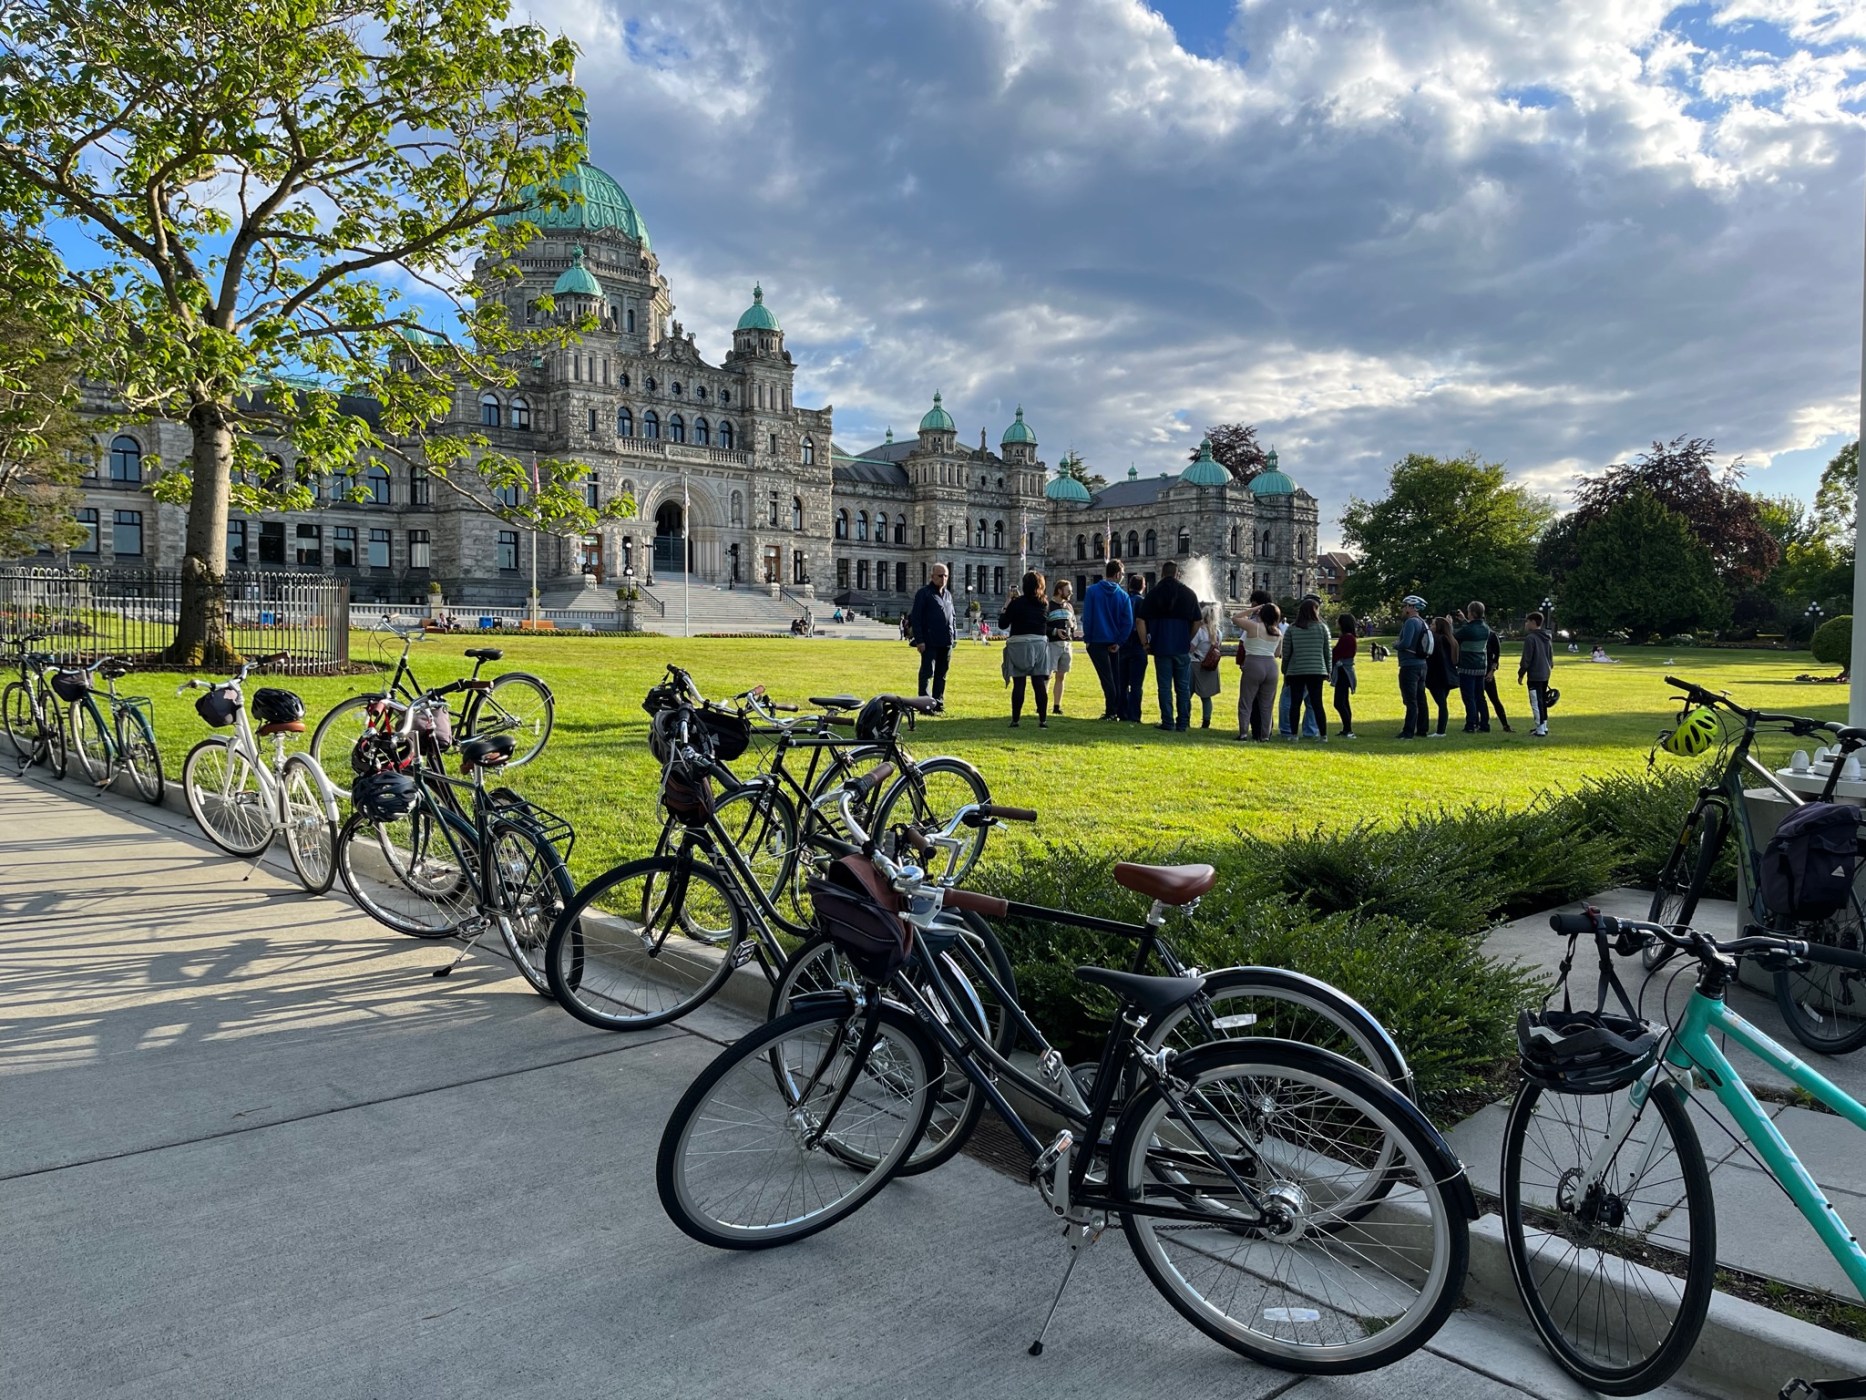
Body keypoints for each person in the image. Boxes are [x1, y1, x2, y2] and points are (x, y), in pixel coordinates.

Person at [1136, 559, 1202, 732]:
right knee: (1183, 686)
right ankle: (1183, 722)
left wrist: (1145, 643)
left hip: (1161, 646)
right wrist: (1188, 638)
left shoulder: (1153, 593)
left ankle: (1167, 721)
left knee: (1164, 686)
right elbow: (1198, 621)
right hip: (1181, 646)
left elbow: (1140, 620)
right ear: (1177, 573)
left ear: (1162, 573)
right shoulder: (1189, 594)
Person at [998, 571, 1054, 728]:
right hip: (1038, 644)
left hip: (1018, 644)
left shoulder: (1016, 603)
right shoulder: (1044, 604)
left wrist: (1007, 603)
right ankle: (1043, 720)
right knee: (1039, 683)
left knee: (1019, 683)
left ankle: (1015, 719)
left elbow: (1003, 624)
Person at [1079, 560, 1133, 721]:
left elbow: (1087, 617)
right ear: (1117, 574)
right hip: (1113, 642)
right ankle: (1116, 709)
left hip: (1096, 640)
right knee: (1114, 677)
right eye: (1122, 574)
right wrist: (1119, 641)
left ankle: (1111, 710)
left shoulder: (1092, 591)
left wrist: (1087, 638)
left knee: (1106, 677)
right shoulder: (1123, 595)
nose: (1122, 577)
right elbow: (1128, 622)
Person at [1281, 597, 1332, 740]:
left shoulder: (1292, 629)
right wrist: (1328, 670)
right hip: (1317, 670)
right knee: (1317, 703)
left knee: (1295, 703)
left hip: (1296, 670)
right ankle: (1323, 735)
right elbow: (1327, 652)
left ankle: (1293, 735)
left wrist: (1285, 671)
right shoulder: (1323, 628)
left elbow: (1287, 652)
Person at [1233, 594, 1281, 741]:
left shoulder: (1254, 626)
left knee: (1246, 701)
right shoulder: (1277, 631)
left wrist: (1254, 608)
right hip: (1271, 666)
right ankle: (1265, 735)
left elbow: (1235, 618)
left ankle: (1243, 733)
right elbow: (1278, 653)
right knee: (1267, 705)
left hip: (1254, 663)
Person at [908, 563, 956, 710]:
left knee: (942, 674)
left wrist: (954, 635)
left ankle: (938, 702)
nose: (943, 579)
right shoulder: (924, 594)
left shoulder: (948, 595)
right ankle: (924, 704)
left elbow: (952, 616)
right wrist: (920, 640)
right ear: (932, 576)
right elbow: (916, 618)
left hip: (946, 641)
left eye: (946, 576)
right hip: (930, 641)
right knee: (927, 673)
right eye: (940, 576)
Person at [1394, 595, 1431, 740]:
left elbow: (1406, 643)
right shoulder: (1423, 622)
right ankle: (1422, 728)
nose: (1403, 609)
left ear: (1411, 607)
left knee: (1411, 700)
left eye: (1405, 606)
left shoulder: (1410, 622)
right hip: (1422, 664)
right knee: (1421, 698)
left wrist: (1396, 644)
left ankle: (1408, 731)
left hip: (1409, 665)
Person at [1453, 601, 1492, 733]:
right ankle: (1484, 724)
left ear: (1473, 613)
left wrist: (1448, 623)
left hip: (1467, 666)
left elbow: (1454, 636)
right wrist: (1464, 620)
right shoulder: (1486, 628)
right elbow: (1470, 629)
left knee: (1468, 697)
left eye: (1469, 612)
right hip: (1481, 666)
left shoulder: (1468, 629)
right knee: (1480, 697)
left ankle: (1471, 724)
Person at [1520, 610, 1555, 737]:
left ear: (1533, 622)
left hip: (1535, 674)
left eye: (1527, 622)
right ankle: (1544, 725)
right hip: (1545, 673)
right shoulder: (1547, 637)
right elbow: (1551, 657)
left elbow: (1526, 659)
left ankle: (1539, 729)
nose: (1526, 624)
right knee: (1543, 700)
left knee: (1535, 701)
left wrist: (1521, 673)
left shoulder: (1531, 638)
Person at [1119, 573, 1149, 723]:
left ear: (1129, 586)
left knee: (1122, 682)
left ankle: (1122, 713)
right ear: (1143, 586)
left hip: (1123, 644)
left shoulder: (1123, 600)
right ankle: (1134, 715)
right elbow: (1141, 622)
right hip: (1137, 644)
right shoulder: (1143, 602)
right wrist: (1145, 643)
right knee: (1136, 684)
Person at [1189, 603, 1223, 730]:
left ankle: (1185, 718)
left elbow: (1191, 648)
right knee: (1206, 696)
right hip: (1210, 665)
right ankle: (1206, 720)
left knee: (1187, 693)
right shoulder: (1218, 633)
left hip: (1195, 664)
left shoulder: (1200, 632)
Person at [1425, 615, 1459, 737]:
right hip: (1449, 676)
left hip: (1437, 676)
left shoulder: (1436, 640)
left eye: (1433, 624)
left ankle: (1440, 731)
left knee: (1442, 704)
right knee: (1442, 703)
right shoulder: (1451, 640)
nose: (1430, 626)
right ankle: (1441, 729)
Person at [1045, 579, 1076, 716]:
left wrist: (1072, 627)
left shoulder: (1069, 606)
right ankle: (1042, 704)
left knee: (1061, 676)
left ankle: (1057, 706)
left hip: (1066, 645)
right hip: (1052, 645)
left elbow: (1073, 624)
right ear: (1059, 591)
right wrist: (1055, 631)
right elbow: (1042, 626)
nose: (1071, 593)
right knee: (1047, 675)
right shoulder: (1048, 606)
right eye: (1068, 590)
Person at [1332, 613, 1358, 739]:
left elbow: (1336, 654)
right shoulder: (1349, 637)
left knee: (1339, 702)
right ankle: (1347, 729)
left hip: (1343, 672)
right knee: (1344, 701)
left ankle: (1348, 729)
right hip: (1344, 672)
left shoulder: (1346, 638)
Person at [1483, 624, 1513, 733]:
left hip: (1487, 671)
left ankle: (1505, 724)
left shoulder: (1491, 636)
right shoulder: (1487, 634)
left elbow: (1496, 655)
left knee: (1494, 699)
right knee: (1479, 699)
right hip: (1480, 670)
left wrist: (1492, 671)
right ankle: (1480, 723)